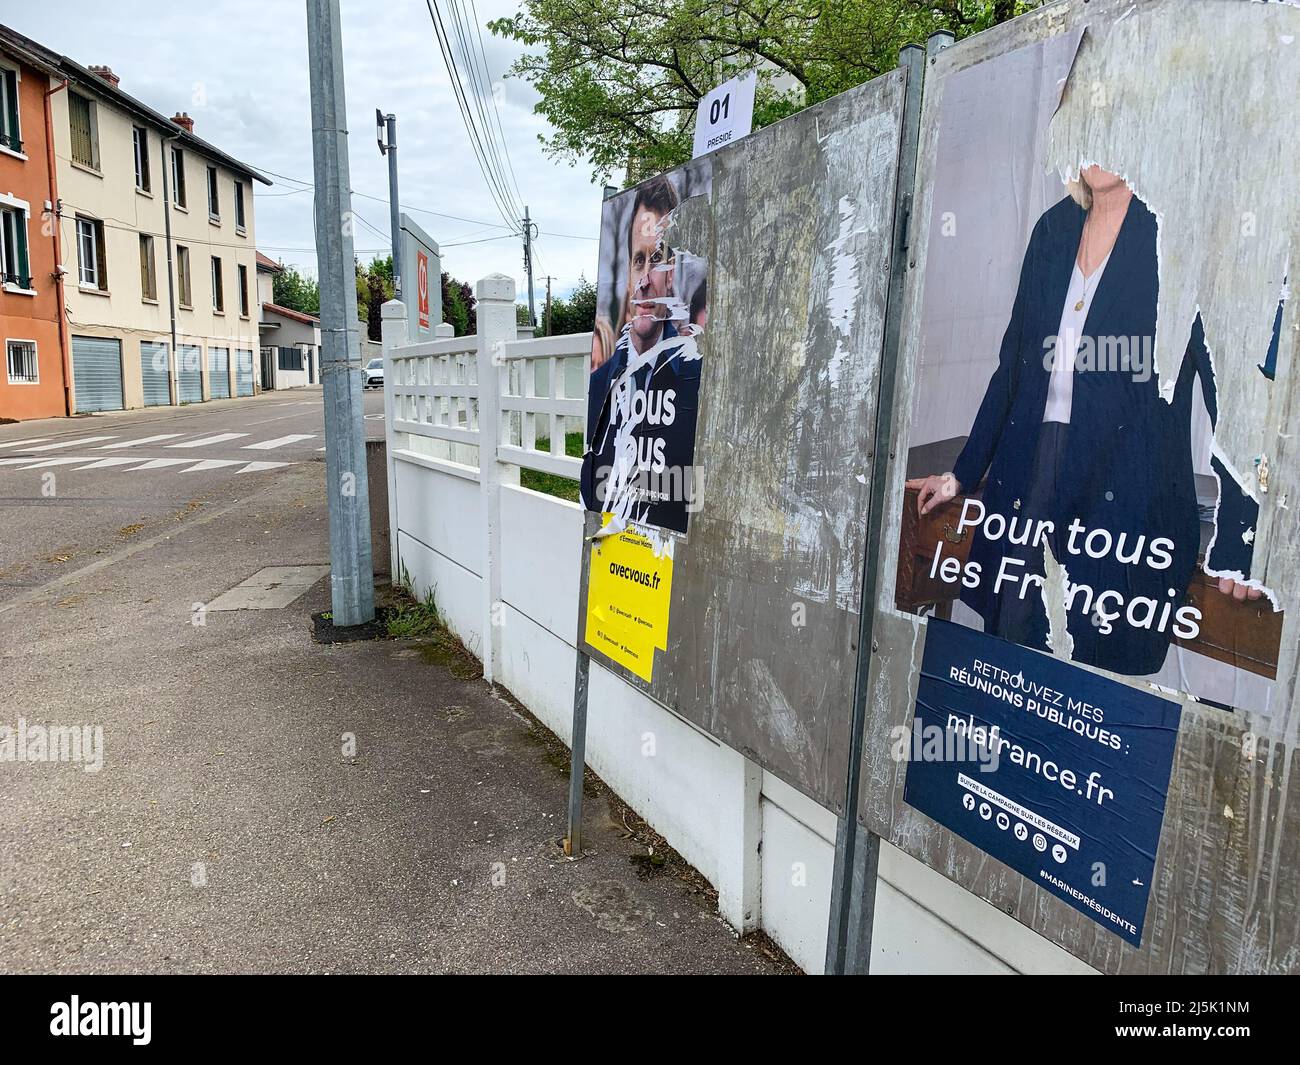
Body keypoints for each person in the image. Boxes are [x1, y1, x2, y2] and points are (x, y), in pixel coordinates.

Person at [907, 166, 1269, 675]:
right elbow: (1012, 366)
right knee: (1011, 662)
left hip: (1125, 497)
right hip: (1029, 478)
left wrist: (1243, 534)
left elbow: (1231, 392)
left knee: (1091, 679)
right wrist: (961, 474)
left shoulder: (1187, 234)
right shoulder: (1052, 229)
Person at [580, 175, 703, 534]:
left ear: (672, 273)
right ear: (628, 272)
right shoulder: (601, 383)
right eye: (638, 261)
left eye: (658, 260)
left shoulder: (694, 382)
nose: (646, 279)